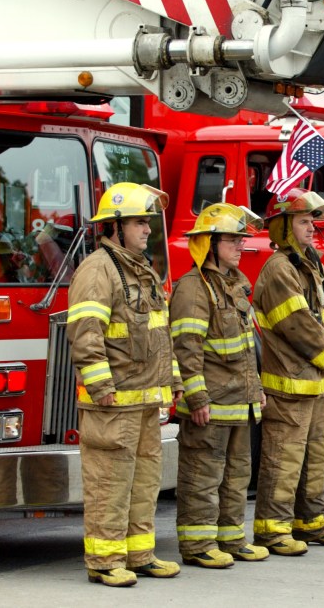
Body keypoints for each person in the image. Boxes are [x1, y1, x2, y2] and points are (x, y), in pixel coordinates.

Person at [67, 183, 183, 587]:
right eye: (139, 222)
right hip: (113, 405)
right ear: (115, 226)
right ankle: (105, 561)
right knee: (110, 483)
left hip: (146, 401)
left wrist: (174, 381)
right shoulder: (98, 269)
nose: (148, 230)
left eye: (148, 222)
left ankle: (139, 555)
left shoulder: (141, 269)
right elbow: (85, 333)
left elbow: (159, 334)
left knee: (144, 481)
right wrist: (102, 388)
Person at [252, 188, 324, 556]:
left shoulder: (313, 264)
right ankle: (273, 530)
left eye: (313, 221)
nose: (312, 227)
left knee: (316, 458)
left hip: (314, 384)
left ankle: (311, 523)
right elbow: (296, 323)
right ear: (282, 227)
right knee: (284, 459)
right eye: (303, 221)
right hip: (290, 384)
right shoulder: (279, 269)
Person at [170, 203, 270, 569]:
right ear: (210, 244)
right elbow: (186, 349)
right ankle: (198, 545)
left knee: (237, 474)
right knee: (202, 474)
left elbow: (246, 348)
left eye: (241, 240)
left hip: (239, 402)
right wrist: (196, 397)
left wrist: (255, 389)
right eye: (232, 240)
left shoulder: (236, 287)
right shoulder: (194, 290)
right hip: (210, 405)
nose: (241, 246)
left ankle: (231, 538)